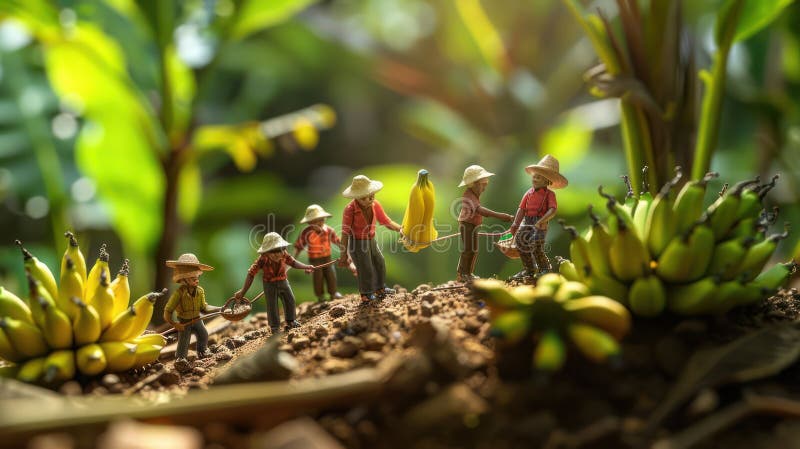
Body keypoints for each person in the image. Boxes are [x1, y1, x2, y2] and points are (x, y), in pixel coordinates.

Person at [337, 175, 402, 303]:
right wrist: (343, 254)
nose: (369, 199)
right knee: (365, 267)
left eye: (371, 195)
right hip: (358, 242)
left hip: (371, 239)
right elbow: (345, 233)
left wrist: (400, 229)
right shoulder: (350, 210)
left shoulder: (375, 205)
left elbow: (385, 221)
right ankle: (366, 293)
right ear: (356, 197)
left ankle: (380, 288)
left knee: (380, 261)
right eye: (364, 197)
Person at [235, 232, 314, 333]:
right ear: (266, 252)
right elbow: (251, 274)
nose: (278, 254)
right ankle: (274, 327)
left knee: (290, 299)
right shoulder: (262, 260)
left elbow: (293, 263)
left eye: (280, 250)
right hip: (269, 284)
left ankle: (291, 321)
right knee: (272, 305)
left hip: (283, 280)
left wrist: (306, 266)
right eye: (273, 251)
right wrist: (243, 291)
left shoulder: (284, 255)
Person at [510, 155, 568, 282]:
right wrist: (515, 223)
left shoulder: (550, 195)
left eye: (539, 176)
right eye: (534, 175)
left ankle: (545, 268)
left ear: (547, 180)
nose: (535, 178)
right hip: (527, 221)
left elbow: (553, 210)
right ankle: (529, 269)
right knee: (520, 241)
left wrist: (541, 221)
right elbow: (521, 209)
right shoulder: (528, 193)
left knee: (536, 244)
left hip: (541, 223)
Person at [456, 165, 513, 282]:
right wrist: (500, 215)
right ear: (474, 183)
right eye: (483, 185)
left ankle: (467, 273)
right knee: (468, 249)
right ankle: (463, 274)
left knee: (473, 249)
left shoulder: (474, 195)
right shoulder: (468, 195)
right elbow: (479, 210)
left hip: (473, 225)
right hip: (467, 225)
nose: (484, 188)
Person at [163, 253, 219, 361]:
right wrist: (175, 324)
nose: (197, 280)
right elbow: (167, 311)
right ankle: (181, 359)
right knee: (184, 340)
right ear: (184, 279)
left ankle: (202, 351)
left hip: (197, 319)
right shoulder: (178, 294)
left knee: (203, 334)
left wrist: (220, 309)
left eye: (197, 277)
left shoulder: (200, 291)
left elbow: (204, 308)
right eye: (193, 278)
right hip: (184, 322)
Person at [293, 204, 347, 302]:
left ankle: (333, 292)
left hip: (327, 257)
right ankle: (320, 296)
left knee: (331, 274)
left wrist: (344, 250)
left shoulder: (329, 230)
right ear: (309, 222)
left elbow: (337, 241)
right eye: (316, 220)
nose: (319, 222)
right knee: (318, 277)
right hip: (315, 259)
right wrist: (293, 259)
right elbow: (299, 246)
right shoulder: (306, 232)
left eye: (321, 219)